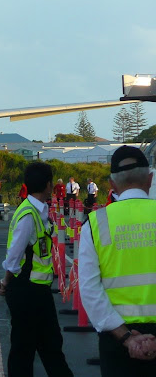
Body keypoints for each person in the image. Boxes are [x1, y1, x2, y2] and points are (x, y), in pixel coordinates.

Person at [78, 146, 156, 375]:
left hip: (117, 339)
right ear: (150, 179)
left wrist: (127, 339)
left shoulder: (95, 223)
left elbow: (90, 291)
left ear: (112, 185)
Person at [0, 162, 73, 377]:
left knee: (48, 346)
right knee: (26, 350)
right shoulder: (29, 215)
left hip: (37, 290)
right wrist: (7, 281)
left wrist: (6, 282)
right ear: (48, 185)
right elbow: (14, 257)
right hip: (28, 290)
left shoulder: (38, 211)